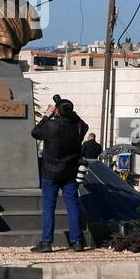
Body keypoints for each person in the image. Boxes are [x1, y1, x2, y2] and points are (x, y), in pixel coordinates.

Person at [30, 98, 88, 252]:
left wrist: (47, 115)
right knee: (73, 206)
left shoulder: (51, 125)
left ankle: (46, 242)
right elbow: (84, 125)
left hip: (51, 172)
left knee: (49, 207)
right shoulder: (78, 126)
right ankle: (76, 242)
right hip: (70, 172)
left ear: (57, 111)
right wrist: (70, 114)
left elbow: (35, 132)